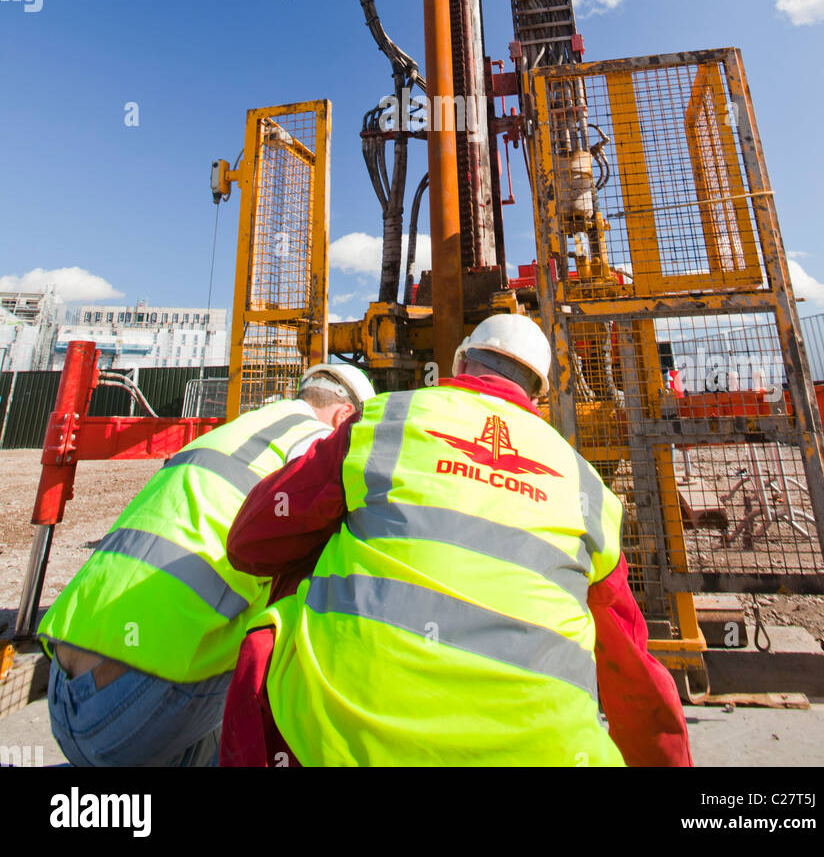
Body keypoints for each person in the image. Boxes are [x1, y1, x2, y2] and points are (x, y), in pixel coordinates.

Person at [220, 315, 693, 767]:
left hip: (340, 740)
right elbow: (633, 669)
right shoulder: (586, 485)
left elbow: (250, 544)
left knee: (276, 623)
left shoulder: (387, 422)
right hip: (547, 750)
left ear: (461, 364)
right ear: (539, 394)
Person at [38, 362, 376, 767]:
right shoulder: (317, 442)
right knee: (287, 665)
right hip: (131, 704)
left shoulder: (235, 431)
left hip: (63, 686)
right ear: (343, 416)